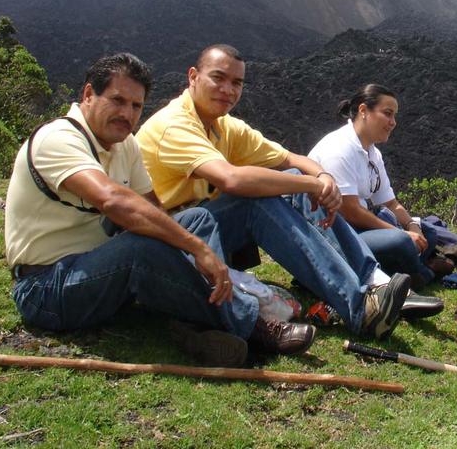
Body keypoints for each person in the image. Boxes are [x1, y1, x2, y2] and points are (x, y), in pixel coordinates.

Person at [4, 53, 315, 368]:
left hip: (96, 269)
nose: (127, 114)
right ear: (88, 95)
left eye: (136, 106)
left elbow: (154, 209)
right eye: (117, 100)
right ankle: (254, 324)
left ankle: (199, 323)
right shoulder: (58, 138)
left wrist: (191, 243)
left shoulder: (124, 145)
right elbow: (114, 201)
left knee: (196, 218)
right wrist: (196, 249)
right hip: (46, 288)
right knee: (140, 249)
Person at [136, 44, 432, 340]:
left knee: (293, 175)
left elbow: (290, 159)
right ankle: (359, 308)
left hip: (207, 228)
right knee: (259, 202)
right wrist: (311, 183)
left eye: (237, 83)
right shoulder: (174, 125)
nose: (227, 89)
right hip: (169, 238)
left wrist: (322, 176)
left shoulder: (223, 126)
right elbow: (232, 180)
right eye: (218, 78)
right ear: (193, 77)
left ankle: (373, 282)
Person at [308, 84, 453, 294]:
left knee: (426, 231)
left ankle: (407, 269)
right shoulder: (339, 149)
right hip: (337, 233)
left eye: (394, 116)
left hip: (360, 228)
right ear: (364, 111)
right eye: (387, 114)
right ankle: (423, 273)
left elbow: (390, 202)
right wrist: (400, 233)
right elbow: (349, 212)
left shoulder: (372, 153)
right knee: (401, 241)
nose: (393, 122)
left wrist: (412, 226)